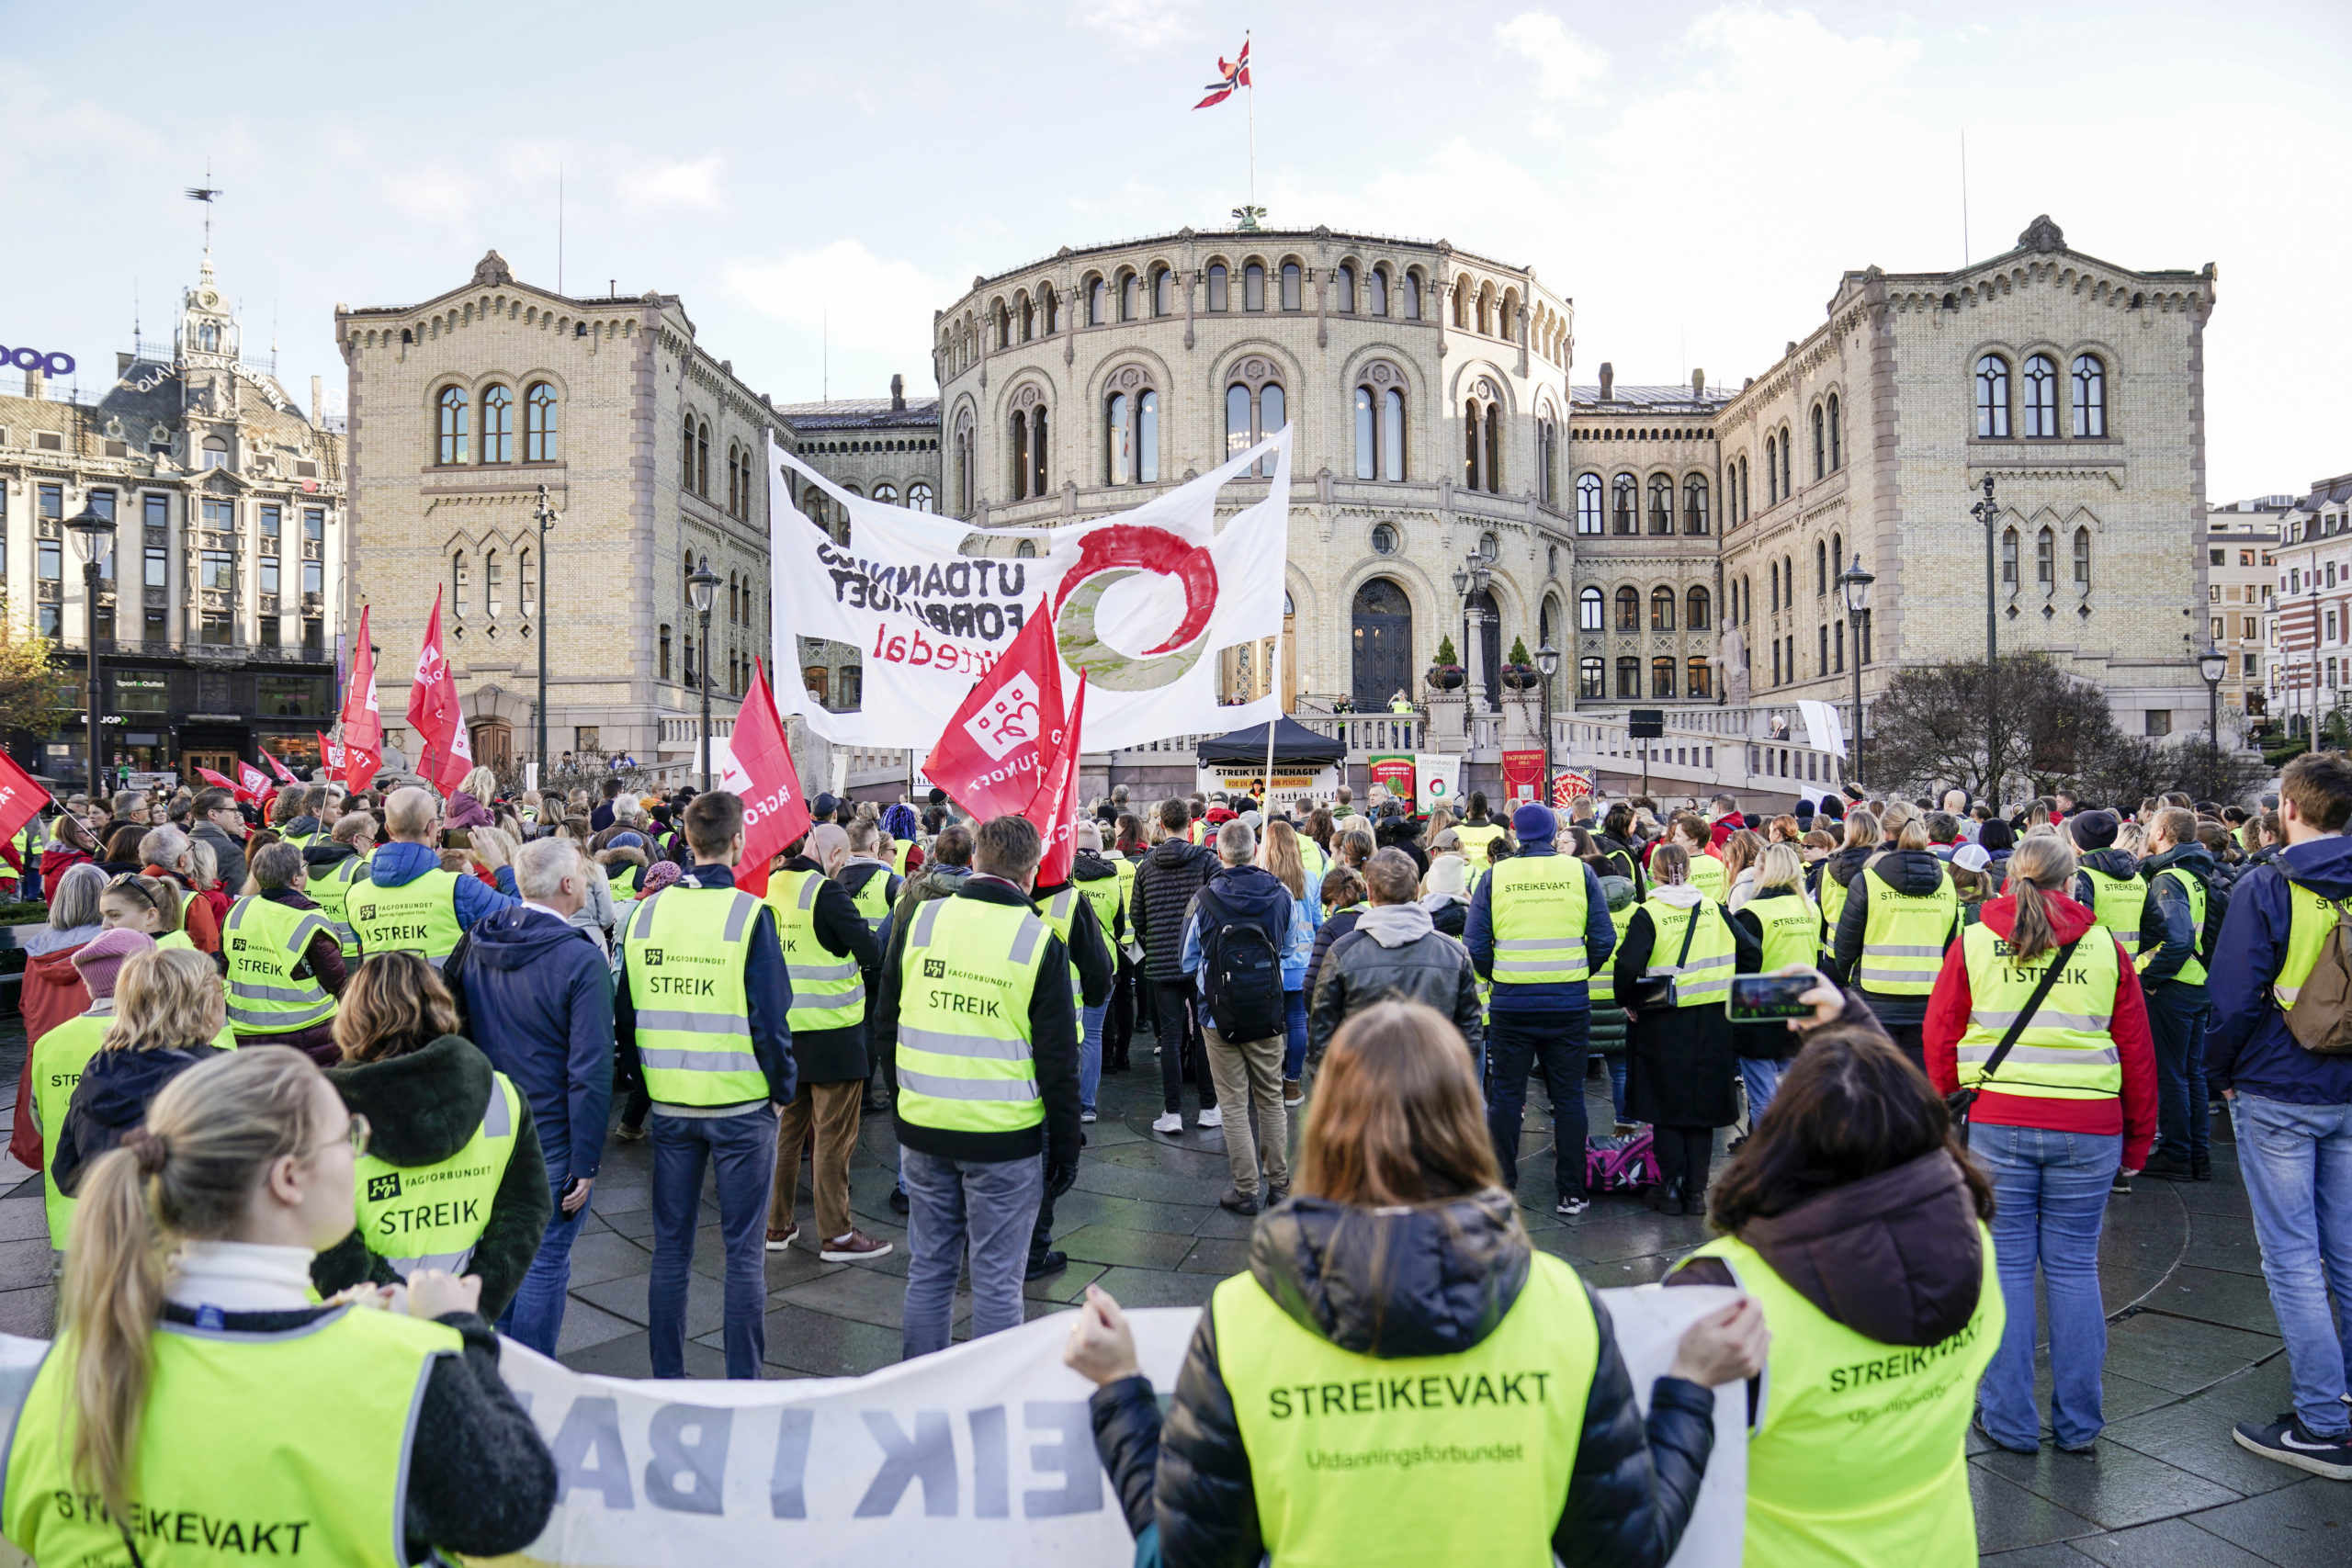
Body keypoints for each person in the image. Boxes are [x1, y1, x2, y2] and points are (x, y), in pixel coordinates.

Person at [1070, 1000, 1763, 1568]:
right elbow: (1625, 1549)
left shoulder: (1242, 1315)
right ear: (1466, 1121)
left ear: (1327, 1125)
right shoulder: (1559, 1303)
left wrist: (1120, 1392)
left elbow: (1187, 1555)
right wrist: (1690, 1387)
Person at [5, 1046, 556, 1564]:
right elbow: (518, 1503)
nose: (356, 1151)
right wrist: (456, 1330)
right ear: (289, 1178)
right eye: (347, 1137)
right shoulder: (402, 1373)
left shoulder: (53, 1377)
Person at [1668, 1000, 2003, 1564]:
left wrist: (1682, 1383)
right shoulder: (1973, 1243)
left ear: (1782, 1135)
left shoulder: (1724, 1290)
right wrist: (1855, 1034)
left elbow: (1646, 1493)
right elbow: (1913, 1130)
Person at [1922, 830, 2154, 1455]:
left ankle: (2010, 1419)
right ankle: (2079, 1424)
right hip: (2089, 1125)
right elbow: (2136, 1051)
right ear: (2071, 881)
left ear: (2010, 878)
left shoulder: (1975, 939)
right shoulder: (2104, 946)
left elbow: (1940, 1034)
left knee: (2006, 1271)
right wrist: (2138, 1140)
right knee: (2075, 1271)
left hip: (1998, 1121)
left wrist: (1947, 1111)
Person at [876, 814, 1081, 1359]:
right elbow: (1059, 1063)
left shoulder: (922, 919)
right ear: (1031, 873)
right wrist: (1065, 1150)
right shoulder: (1038, 940)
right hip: (1003, 1140)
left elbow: (886, 1021)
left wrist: (902, 1102)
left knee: (930, 1271)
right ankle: (989, 1402)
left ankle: (922, 1389)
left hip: (924, 1126)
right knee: (996, 1282)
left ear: (976, 860)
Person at [2203, 750, 2352, 1475]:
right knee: (2347, 1252)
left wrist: (2219, 1074)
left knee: (2292, 1257)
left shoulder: (2268, 884)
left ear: (2288, 808)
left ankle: (2322, 1420)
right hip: (2346, 1084)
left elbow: (2233, 999)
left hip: (2276, 1084)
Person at [615, 789, 797, 1379]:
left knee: (671, 1250)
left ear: (687, 841)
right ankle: (743, 1384)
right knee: (743, 1255)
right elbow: (771, 1019)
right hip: (741, 1105)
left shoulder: (645, 914)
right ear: (738, 842)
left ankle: (667, 1378)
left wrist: (647, 1082)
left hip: (672, 1104)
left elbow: (626, 1014)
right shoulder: (750, 915)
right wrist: (782, 1090)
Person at [444, 835, 616, 1356]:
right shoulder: (580, 957)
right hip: (550, 1134)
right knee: (545, 1259)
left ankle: (497, 1364)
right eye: (581, 873)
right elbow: (590, 1067)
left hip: (488, 1123)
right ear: (567, 884)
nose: (585, 880)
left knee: (498, 1253)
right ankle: (533, 1376)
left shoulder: (478, 937)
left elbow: (453, 1024)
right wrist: (586, 1159)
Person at [311, 951, 551, 1323]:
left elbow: (320, 1234)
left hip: (357, 1328)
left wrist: (393, 1308)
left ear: (351, 1018)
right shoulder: (501, 1097)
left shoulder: (319, 1112)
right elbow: (525, 1211)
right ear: (441, 1009)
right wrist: (470, 1309)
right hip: (460, 1326)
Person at [1466, 802, 1617, 1217]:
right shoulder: (1580, 872)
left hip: (1512, 1002)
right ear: (1553, 833)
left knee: (1507, 1096)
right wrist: (1578, 971)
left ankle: (1502, 1188)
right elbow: (1603, 938)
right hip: (1567, 1001)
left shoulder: (1495, 876)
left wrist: (1499, 975)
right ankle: (1571, 1191)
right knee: (1568, 1096)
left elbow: (1475, 943)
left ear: (1515, 833)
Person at [763, 821, 892, 1261]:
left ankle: (776, 1225)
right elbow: (870, 951)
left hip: (783, 1034)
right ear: (835, 856)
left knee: (786, 1136)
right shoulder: (826, 892)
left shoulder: (769, 886)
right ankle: (836, 1235)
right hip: (833, 1035)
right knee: (833, 1140)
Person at [1613, 842, 1758, 1213]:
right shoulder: (1714, 909)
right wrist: (1730, 987)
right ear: (1688, 871)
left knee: (1667, 1106)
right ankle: (1695, 1193)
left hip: (1664, 1020)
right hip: (1713, 1021)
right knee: (1702, 1108)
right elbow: (1751, 952)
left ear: (1653, 874)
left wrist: (1628, 1000)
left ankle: (1670, 1188)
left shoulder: (1649, 913)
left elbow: (1627, 965)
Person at [1182, 819, 1305, 1215]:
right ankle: (1280, 1185)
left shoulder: (1204, 898)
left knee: (1233, 1104)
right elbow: (1289, 948)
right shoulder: (1282, 894)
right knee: (1270, 1099)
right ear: (1254, 851)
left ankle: (1245, 1190)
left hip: (1218, 1015)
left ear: (1219, 852)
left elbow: (1187, 960)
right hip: (1267, 1010)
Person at [51, 949, 235, 1199]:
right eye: (221, 992)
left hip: (115, 1220)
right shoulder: (218, 1076)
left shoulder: (98, 1068)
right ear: (203, 1005)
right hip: (194, 1221)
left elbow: (67, 1174)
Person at [27, 930, 153, 1250]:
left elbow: (38, 1119)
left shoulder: (49, 1043)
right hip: (139, 1220)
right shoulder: (154, 1037)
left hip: (71, 1218)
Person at [1311, 845, 1485, 1077]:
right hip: (1433, 1085)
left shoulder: (1342, 952)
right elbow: (1470, 1034)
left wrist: (1338, 1088)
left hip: (1365, 1085)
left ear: (1369, 892)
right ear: (1417, 889)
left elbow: (1321, 1036)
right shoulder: (1454, 953)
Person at [2127, 807, 2222, 1183]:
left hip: (2172, 988)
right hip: (2196, 984)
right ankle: (2197, 1154)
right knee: (2190, 1073)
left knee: (2170, 1074)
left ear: (2162, 832)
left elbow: (2179, 940)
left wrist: (2150, 978)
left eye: (2152, 827)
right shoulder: (2195, 873)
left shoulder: (2168, 878)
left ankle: (2177, 1153)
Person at [1831, 802, 1959, 1072]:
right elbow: (1951, 945)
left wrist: (1853, 979)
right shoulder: (1947, 882)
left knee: (1876, 1083)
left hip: (1875, 999)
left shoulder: (1867, 880)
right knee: (1918, 1084)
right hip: (1928, 999)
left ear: (1885, 834)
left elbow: (1845, 946)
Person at [349, 786, 520, 969]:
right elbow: (527, 918)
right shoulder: (459, 888)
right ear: (432, 827)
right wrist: (499, 866)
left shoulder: (356, 894)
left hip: (380, 987)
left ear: (388, 829)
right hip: (441, 987)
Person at [1135, 796, 1221, 1135]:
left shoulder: (1147, 866)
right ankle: (1209, 1107)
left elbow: (1137, 917)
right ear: (1190, 823)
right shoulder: (1206, 860)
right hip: (1199, 960)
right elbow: (1219, 906)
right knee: (1204, 1034)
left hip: (1162, 960)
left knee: (1170, 1038)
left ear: (1161, 824)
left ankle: (1172, 1112)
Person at [223, 841, 351, 1062]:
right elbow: (335, 979)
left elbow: (226, 966)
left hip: (244, 1030)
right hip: (306, 1032)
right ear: (296, 878)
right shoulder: (310, 918)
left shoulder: (238, 909)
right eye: (304, 865)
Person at [1730, 843, 1817, 1129]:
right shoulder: (1809, 908)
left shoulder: (1751, 913)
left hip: (1760, 1006)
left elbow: (1741, 966)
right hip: (1801, 1003)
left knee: (1763, 1099)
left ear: (1766, 871)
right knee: (1793, 1094)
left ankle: (1765, 1148)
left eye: (1757, 867)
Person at [1253, 818, 1319, 1108]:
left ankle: (1266, 1083)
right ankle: (1292, 1084)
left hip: (1269, 964)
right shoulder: (1310, 879)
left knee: (1266, 1025)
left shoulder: (1261, 880)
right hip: (1302, 963)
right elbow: (1316, 921)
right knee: (1297, 1022)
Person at [1070, 820, 1131, 1118]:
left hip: (1069, 966)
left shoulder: (1067, 878)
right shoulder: (1112, 878)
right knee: (1093, 1035)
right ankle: (1087, 1105)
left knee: (1068, 1034)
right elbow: (1119, 926)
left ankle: (1066, 1099)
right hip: (1104, 964)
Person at [137, 825, 220, 953]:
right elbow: (209, 952)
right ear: (182, 860)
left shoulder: (127, 889)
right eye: (190, 848)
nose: (192, 852)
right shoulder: (194, 901)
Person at [190, 784, 250, 897]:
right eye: (232, 810)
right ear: (213, 814)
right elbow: (234, 899)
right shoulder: (231, 852)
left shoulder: (181, 844)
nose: (236, 815)